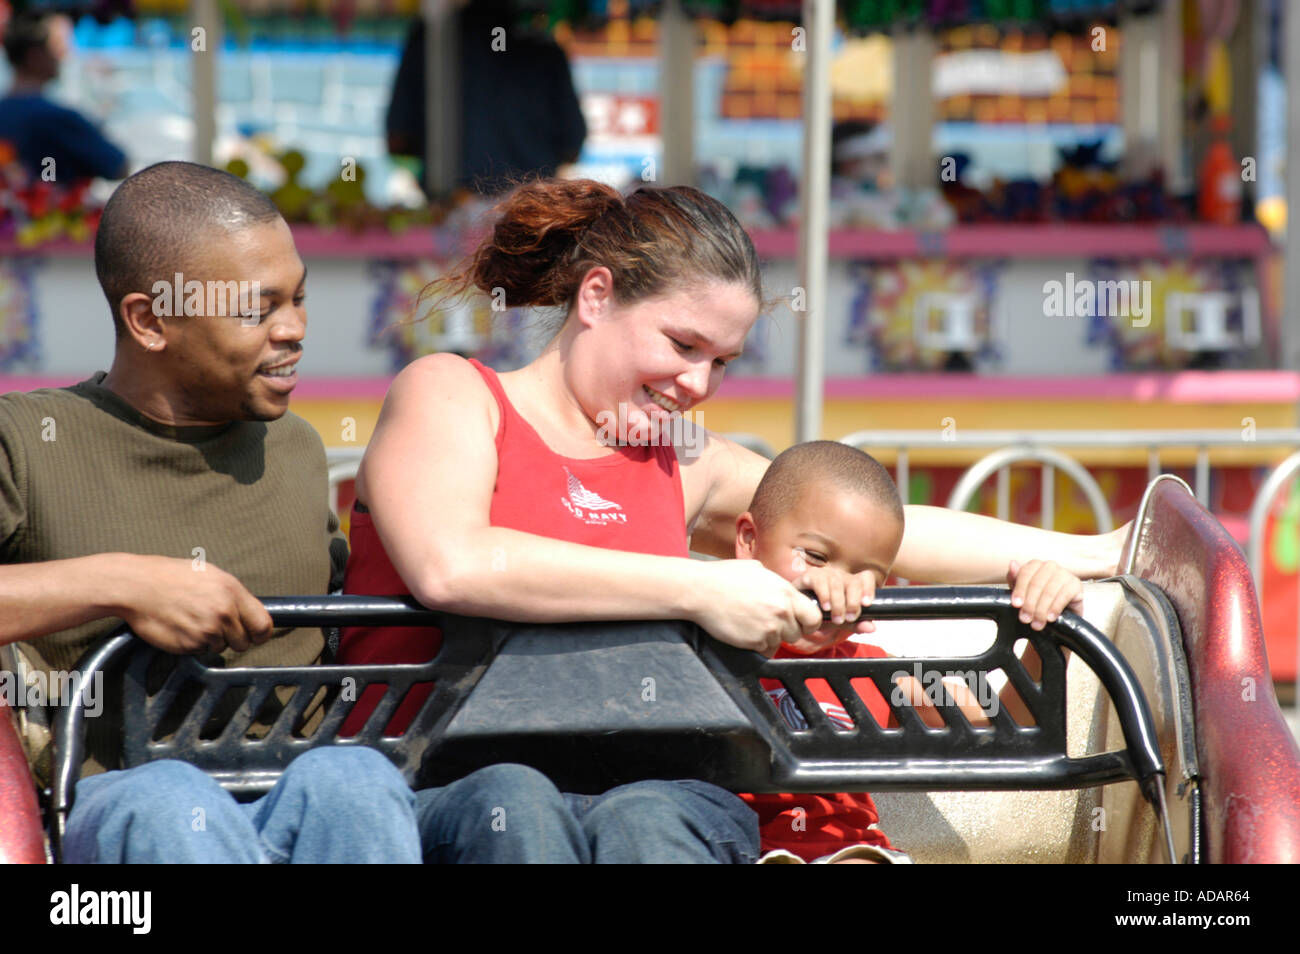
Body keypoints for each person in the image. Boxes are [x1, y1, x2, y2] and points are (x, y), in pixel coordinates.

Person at [338, 176, 1126, 863]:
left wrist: (1099, 550)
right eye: (682, 344)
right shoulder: (452, 393)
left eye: (721, 361)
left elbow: (881, 528)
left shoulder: (682, 457)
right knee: (518, 803)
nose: (697, 384)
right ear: (597, 296)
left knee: (651, 814)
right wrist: (697, 589)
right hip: (441, 786)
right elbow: (453, 564)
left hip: (644, 799)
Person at [0, 161, 420, 863]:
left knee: (356, 780)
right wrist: (125, 583)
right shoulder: (27, 439)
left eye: (300, 298)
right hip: (121, 803)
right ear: (150, 320)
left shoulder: (295, 448)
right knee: (171, 801)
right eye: (258, 309)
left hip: (297, 795)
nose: (294, 330)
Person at [731, 439, 1083, 863]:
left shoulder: (874, 672)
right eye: (816, 556)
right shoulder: (695, 649)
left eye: (868, 579)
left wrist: (1049, 624)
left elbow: (1001, 719)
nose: (838, 588)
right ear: (749, 539)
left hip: (848, 854)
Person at [386, 0, 587, 199]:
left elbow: (398, 138)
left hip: (453, 207)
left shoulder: (431, 37)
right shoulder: (544, 49)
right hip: (528, 210)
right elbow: (573, 145)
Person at [0, 11, 128, 183]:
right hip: (52, 209)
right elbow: (119, 166)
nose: (66, 54)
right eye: (59, 45)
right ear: (35, 55)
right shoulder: (57, 118)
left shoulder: (9, 112)